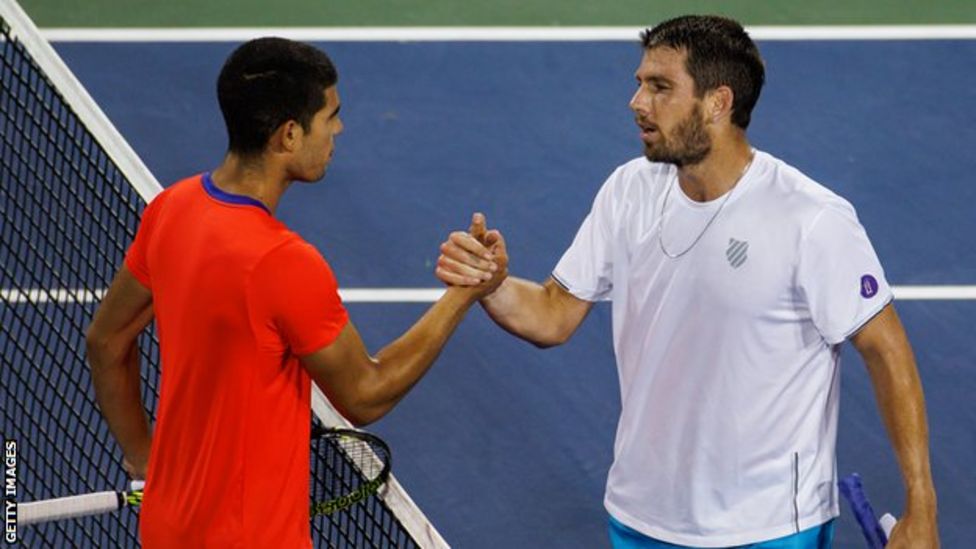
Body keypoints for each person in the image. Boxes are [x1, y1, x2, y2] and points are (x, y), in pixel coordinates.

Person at [436, 15, 938, 549]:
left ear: (718, 103)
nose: (637, 103)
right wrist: (493, 285)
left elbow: (886, 348)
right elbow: (553, 314)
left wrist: (921, 505)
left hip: (768, 527)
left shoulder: (811, 218)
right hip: (641, 517)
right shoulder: (628, 191)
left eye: (660, 87)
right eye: (640, 84)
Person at [85, 37, 505, 548]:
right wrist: (463, 295)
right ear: (288, 135)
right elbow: (366, 394)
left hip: (166, 527)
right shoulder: (284, 261)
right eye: (330, 116)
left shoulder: (172, 208)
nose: (339, 130)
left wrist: (144, 459)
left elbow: (106, 343)